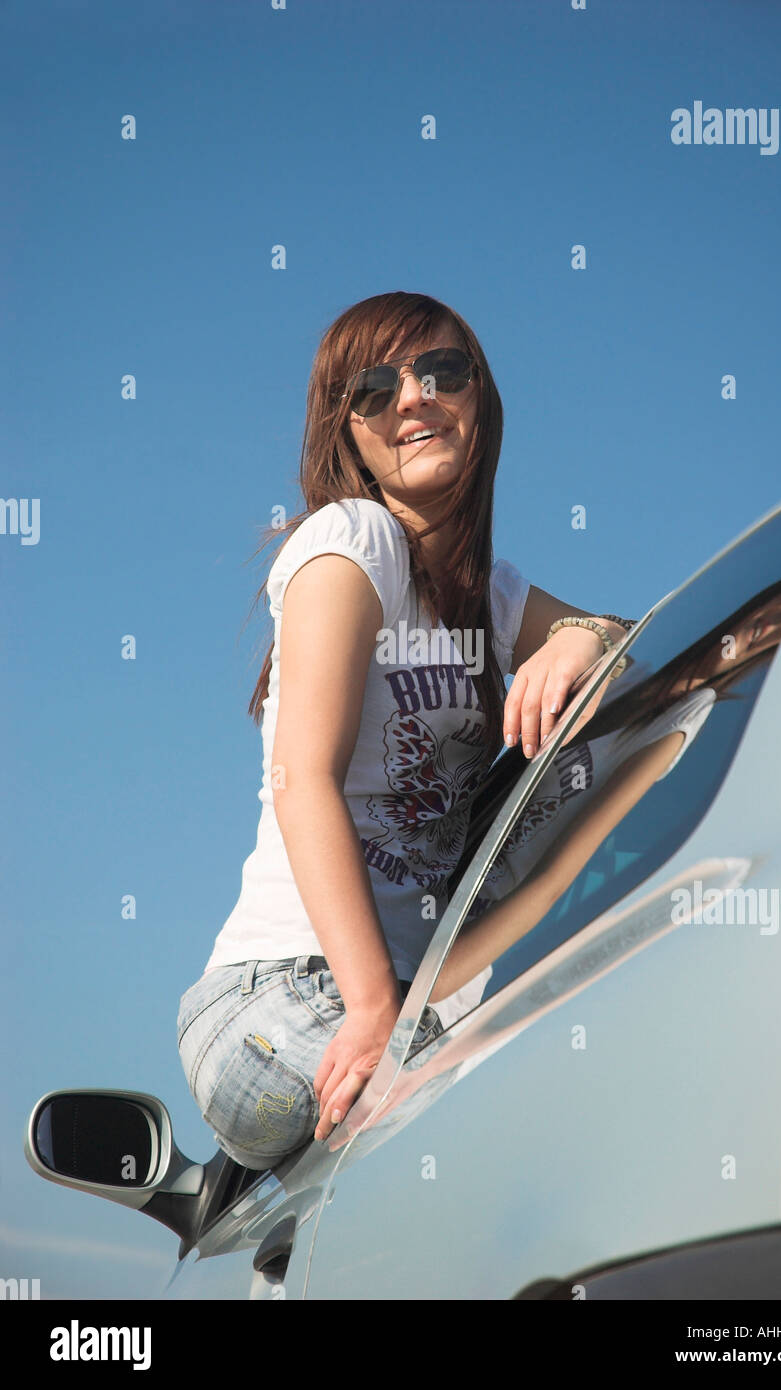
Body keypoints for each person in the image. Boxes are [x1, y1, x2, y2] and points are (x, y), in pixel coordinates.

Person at [176, 290, 630, 1169]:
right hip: (278, 994)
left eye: (441, 371)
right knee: (490, 1136)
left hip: (419, 1000)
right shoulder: (353, 541)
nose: (413, 398)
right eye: (374, 390)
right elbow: (301, 777)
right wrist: (374, 1008)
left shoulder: (490, 598)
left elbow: (638, 660)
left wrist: (579, 642)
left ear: (480, 400)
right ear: (347, 433)